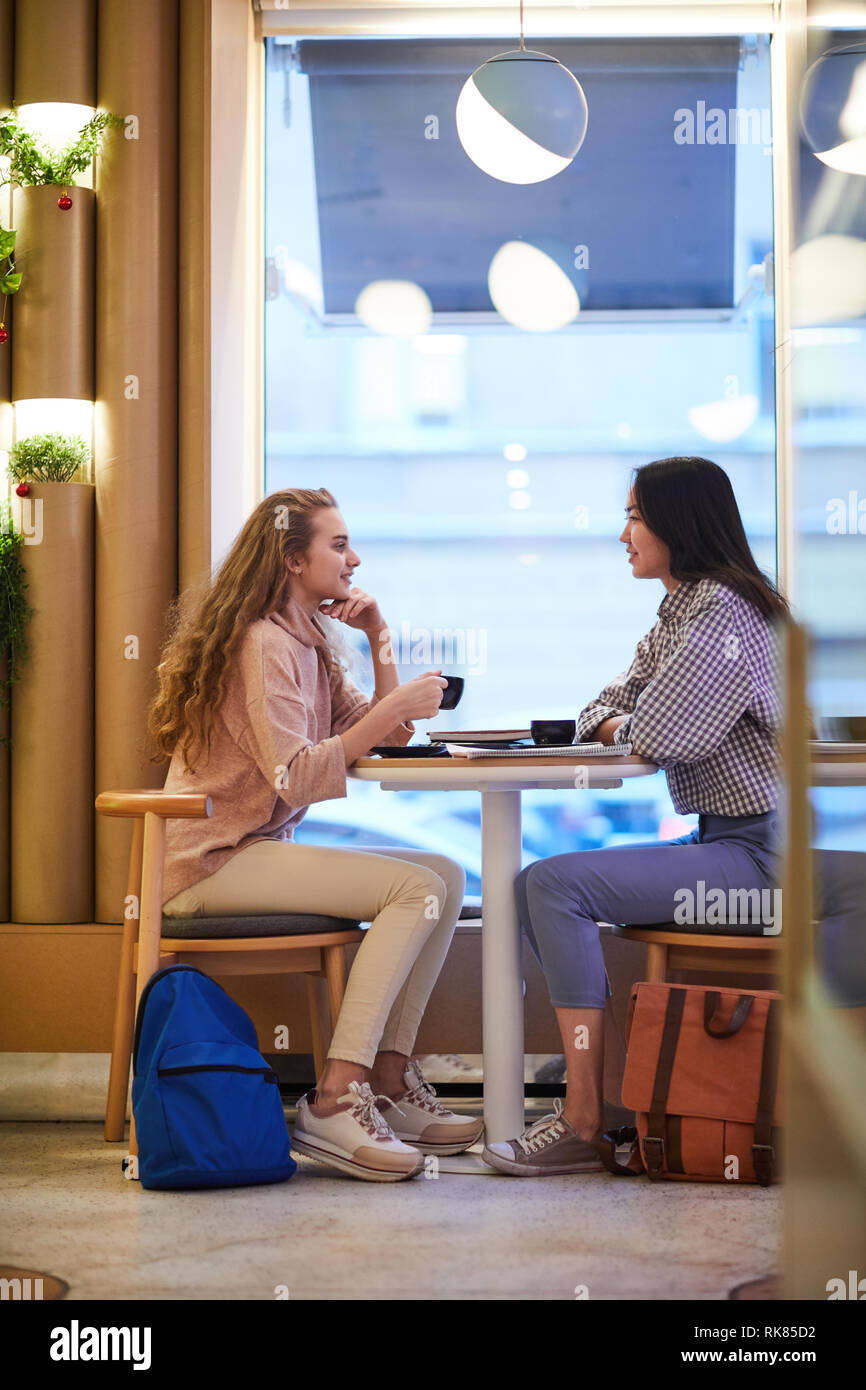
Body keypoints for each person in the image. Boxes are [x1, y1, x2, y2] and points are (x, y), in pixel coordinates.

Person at [149, 487, 482, 1182]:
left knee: (446, 877)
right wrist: (390, 706)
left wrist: (377, 635)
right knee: (414, 888)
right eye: (339, 545)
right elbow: (297, 777)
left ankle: (387, 1079)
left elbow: (389, 735)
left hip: (254, 852)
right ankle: (335, 1096)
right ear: (293, 559)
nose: (354, 559)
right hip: (209, 863)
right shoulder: (262, 643)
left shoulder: (306, 641)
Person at [483, 456, 788, 1176]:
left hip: (762, 863)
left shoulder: (721, 613)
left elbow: (661, 734)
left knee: (552, 884)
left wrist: (623, 722)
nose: (623, 534)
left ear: (679, 523)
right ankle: (615, 1111)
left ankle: (585, 1118)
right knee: (532, 886)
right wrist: (622, 720)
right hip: (729, 842)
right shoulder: (683, 611)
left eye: (634, 517)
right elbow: (599, 707)